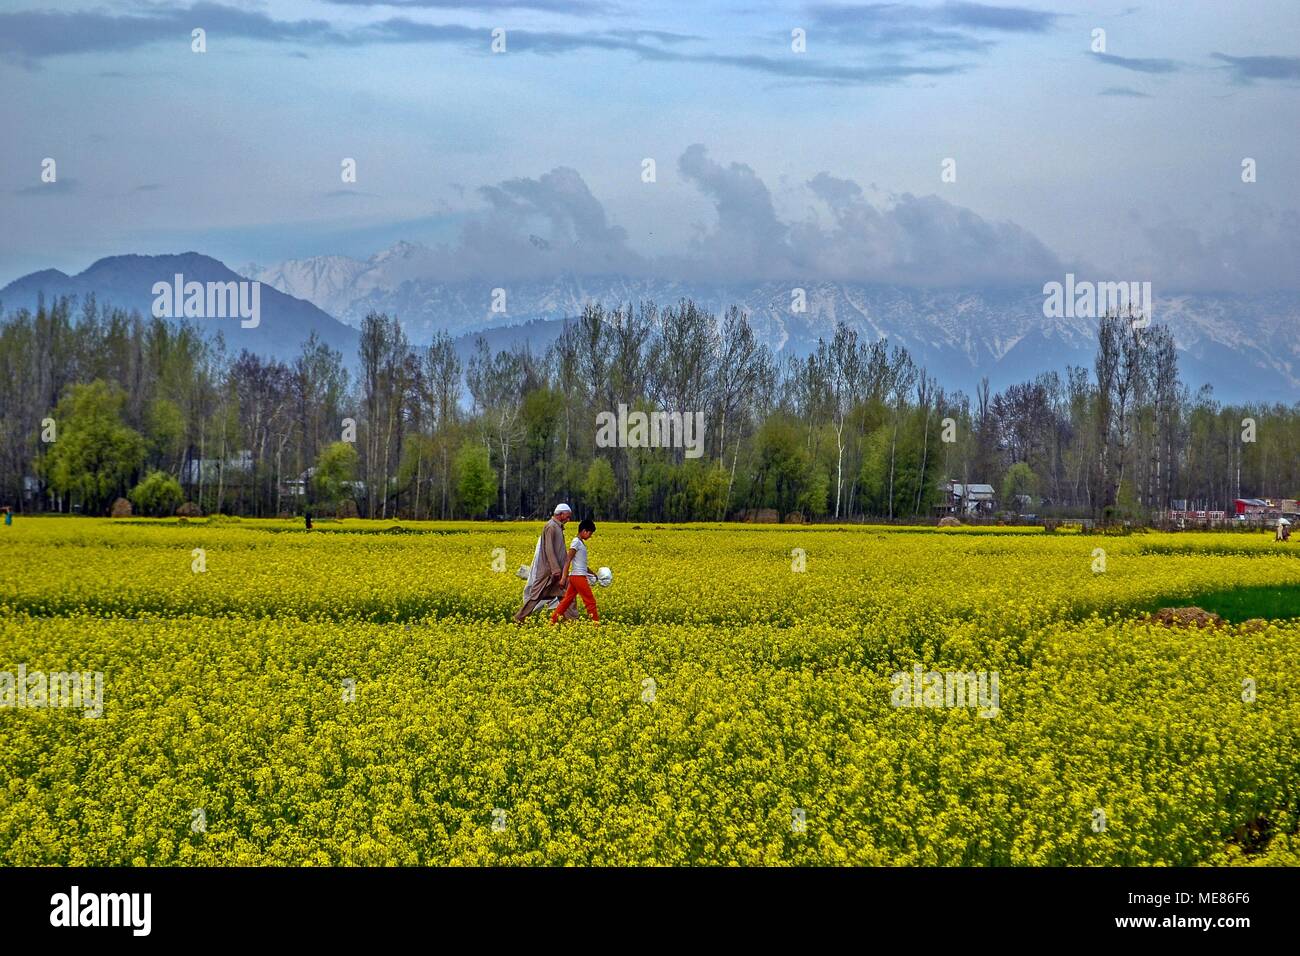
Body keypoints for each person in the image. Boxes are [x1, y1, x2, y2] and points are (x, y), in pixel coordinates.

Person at [513, 503, 572, 623]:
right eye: (567, 516)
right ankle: (519, 618)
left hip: (557, 572)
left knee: (565, 595)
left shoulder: (557, 527)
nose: (568, 519)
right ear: (560, 514)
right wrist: (555, 569)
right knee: (535, 596)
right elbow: (549, 549)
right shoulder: (551, 527)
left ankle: (571, 621)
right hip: (548, 572)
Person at [551, 519, 599, 625]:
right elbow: (568, 560)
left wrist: (592, 573)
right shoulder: (576, 542)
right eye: (590, 533)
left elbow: (582, 564)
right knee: (590, 602)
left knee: (566, 601)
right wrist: (563, 578)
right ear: (584, 531)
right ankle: (596, 626)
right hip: (578, 577)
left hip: (576, 576)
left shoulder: (580, 543)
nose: (590, 536)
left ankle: (552, 621)